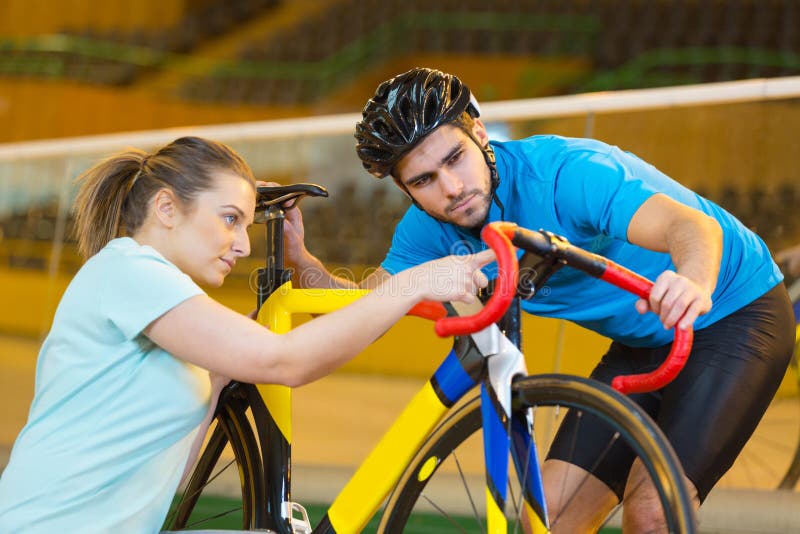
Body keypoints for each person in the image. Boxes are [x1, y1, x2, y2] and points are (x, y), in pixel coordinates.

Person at [282, 68, 796, 532]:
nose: (452, 188)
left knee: (652, 513)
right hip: (642, 342)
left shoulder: (565, 174)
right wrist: (301, 260)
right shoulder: (427, 231)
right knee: (547, 521)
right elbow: (367, 307)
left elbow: (691, 225)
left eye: (454, 158)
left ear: (479, 134)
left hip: (733, 311)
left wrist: (694, 282)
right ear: (404, 189)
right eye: (424, 180)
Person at [0, 136, 493, 533]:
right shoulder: (127, 269)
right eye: (230, 219)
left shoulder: (168, 311)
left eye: (246, 224)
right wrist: (414, 283)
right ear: (166, 208)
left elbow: (165, 472)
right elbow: (286, 362)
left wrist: (220, 372)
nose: (241, 244)